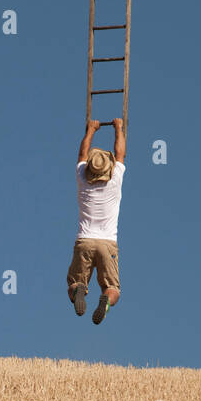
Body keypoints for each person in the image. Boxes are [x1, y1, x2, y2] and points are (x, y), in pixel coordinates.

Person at [67, 117, 126, 325]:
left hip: (84, 241)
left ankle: (79, 292)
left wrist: (91, 130)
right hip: (107, 243)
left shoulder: (82, 180)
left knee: (75, 283)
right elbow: (120, 154)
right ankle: (106, 302)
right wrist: (118, 128)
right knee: (113, 289)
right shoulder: (114, 182)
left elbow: (82, 154)